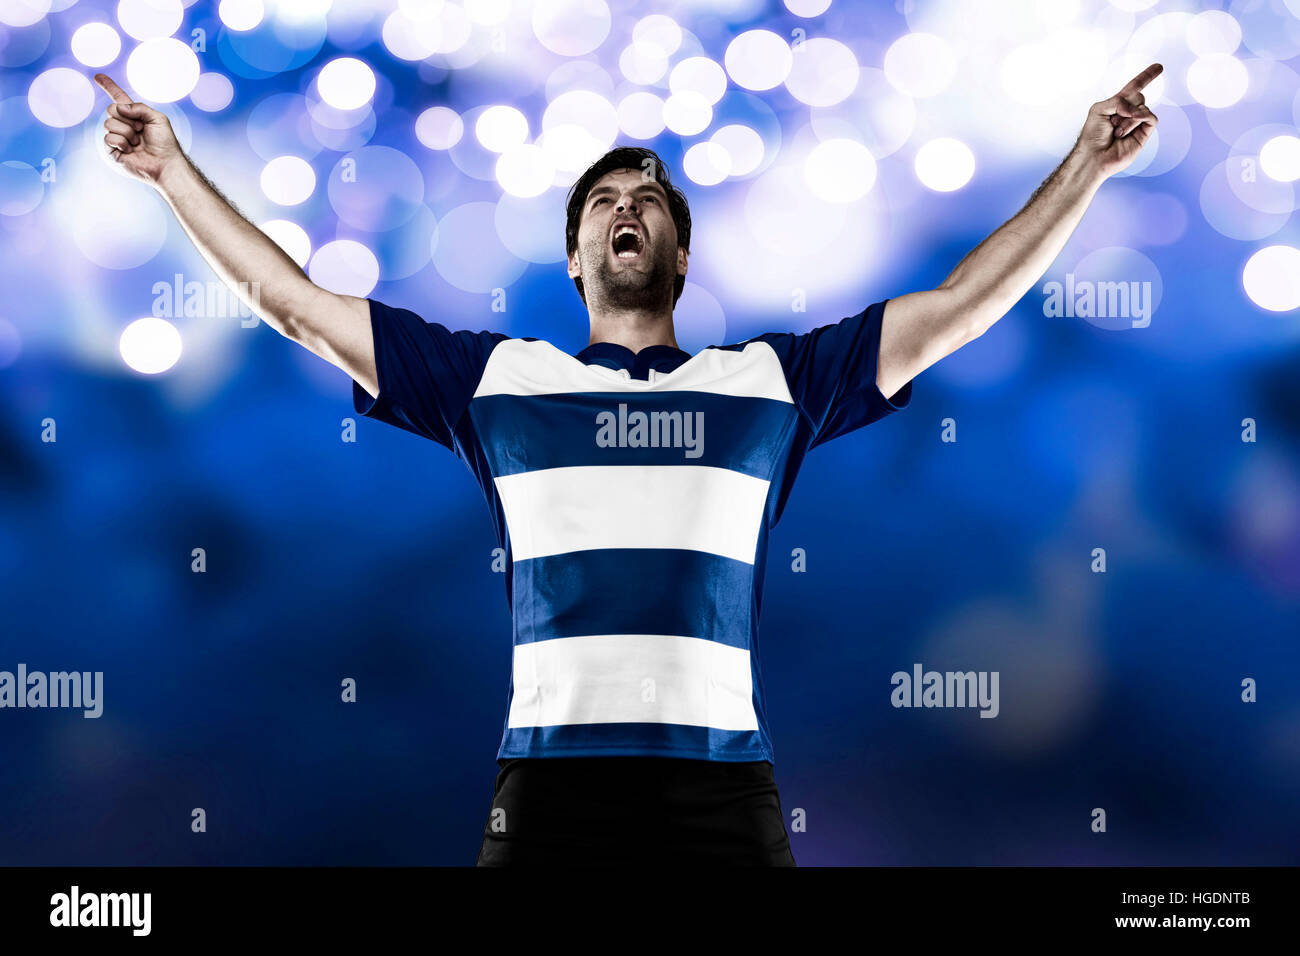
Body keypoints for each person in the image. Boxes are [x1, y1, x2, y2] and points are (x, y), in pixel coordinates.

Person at [92, 62, 1161, 866]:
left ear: (681, 255)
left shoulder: (772, 383)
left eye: (648, 200)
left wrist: (1087, 164)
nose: (626, 208)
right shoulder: (494, 380)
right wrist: (173, 173)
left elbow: (960, 307)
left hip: (723, 787)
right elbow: (295, 305)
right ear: (573, 256)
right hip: (549, 789)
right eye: (602, 200)